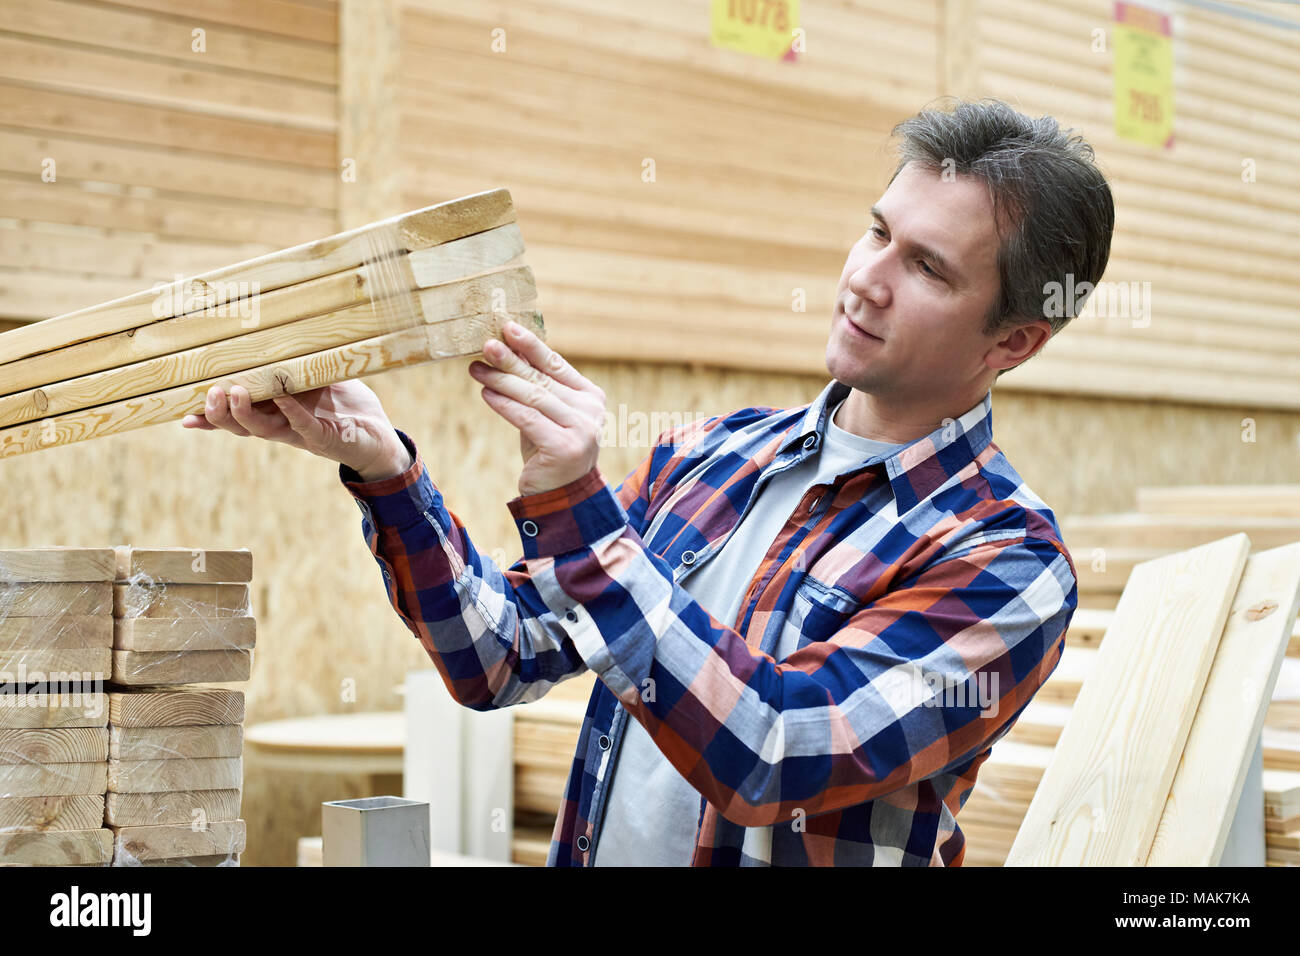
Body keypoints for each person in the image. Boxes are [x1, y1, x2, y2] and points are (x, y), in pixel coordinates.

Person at [184, 97, 1114, 866]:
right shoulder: (712, 459)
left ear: (1013, 340)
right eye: (877, 231)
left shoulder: (1007, 560)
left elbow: (773, 750)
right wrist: (382, 465)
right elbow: (498, 657)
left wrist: (578, 512)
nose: (866, 280)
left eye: (926, 268)